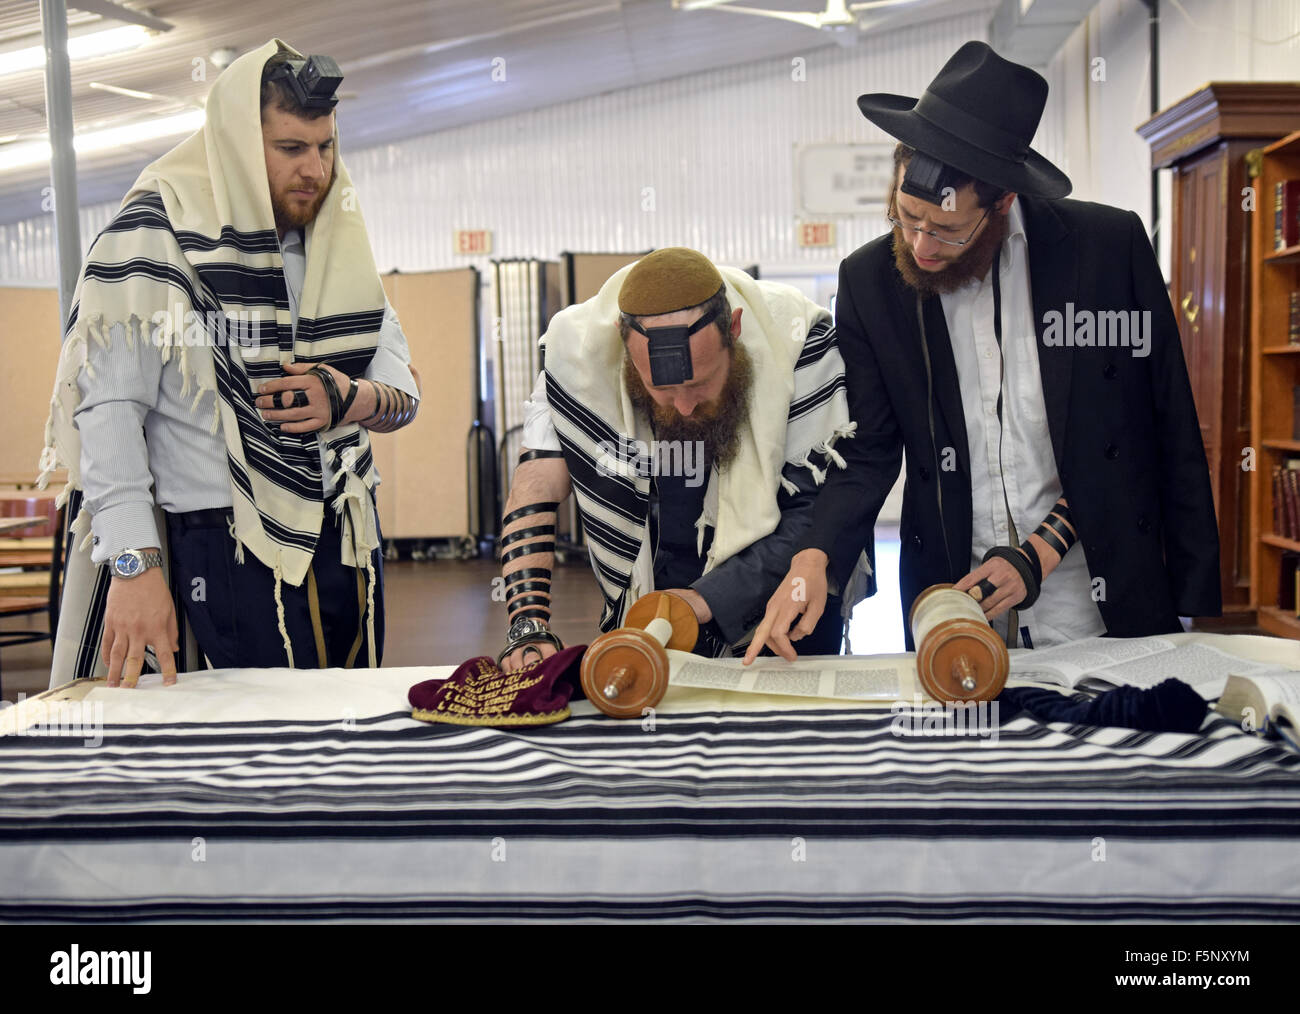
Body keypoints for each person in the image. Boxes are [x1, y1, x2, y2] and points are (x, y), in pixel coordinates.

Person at [747, 41, 1220, 663]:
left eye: (943, 229)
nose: (918, 247)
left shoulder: (1105, 249)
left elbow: (1154, 425)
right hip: (952, 596)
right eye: (904, 218)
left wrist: (1057, 552)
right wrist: (816, 555)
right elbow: (870, 448)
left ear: (1003, 202)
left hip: (1094, 593)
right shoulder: (868, 282)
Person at [41, 40, 420, 688]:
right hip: (225, 545)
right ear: (240, 143)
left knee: (347, 745)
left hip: (349, 532)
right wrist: (136, 570)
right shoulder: (154, 234)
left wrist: (346, 396)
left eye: (325, 147)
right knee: (263, 758)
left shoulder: (333, 240)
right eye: (291, 149)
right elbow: (107, 413)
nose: (315, 169)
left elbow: (402, 391)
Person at [495, 247, 870, 670]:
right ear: (623, 341)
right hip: (653, 618)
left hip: (781, 619)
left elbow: (818, 509)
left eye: (702, 382)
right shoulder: (577, 356)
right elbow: (534, 492)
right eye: (662, 390)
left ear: (734, 328)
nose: (685, 406)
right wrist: (528, 624)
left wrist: (705, 600)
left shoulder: (796, 338)